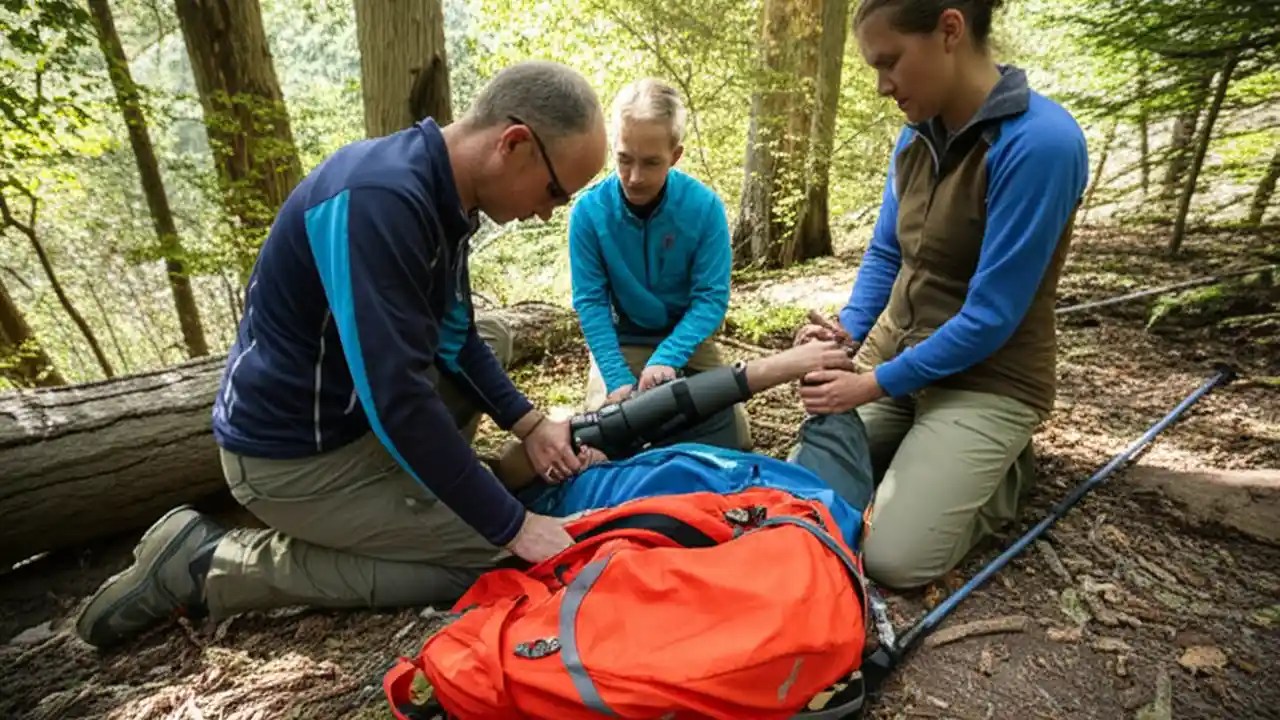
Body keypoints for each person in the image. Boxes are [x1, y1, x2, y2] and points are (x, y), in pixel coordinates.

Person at [76, 61, 610, 649]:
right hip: (293, 459)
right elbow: (398, 399)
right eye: (556, 191)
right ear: (514, 144)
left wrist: (530, 424)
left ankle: (430, 498)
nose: (548, 211)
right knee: (488, 560)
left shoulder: (443, 194)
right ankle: (207, 564)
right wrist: (513, 526)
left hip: (352, 416)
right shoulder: (379, 202)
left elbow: (454, 339)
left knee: (493, 348)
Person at [794, 0, 1088, 589]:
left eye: (891, 62)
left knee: (893, 560)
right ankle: (925, 453)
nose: (883, 86)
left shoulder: (1040, 144)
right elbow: (885, 254)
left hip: (988, 378)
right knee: (801, 495)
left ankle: (1004, 473)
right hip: (895, 357)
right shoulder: (914, 140)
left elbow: (990, 317)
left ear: (949, 30)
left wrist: (870, 384)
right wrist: (846, 331)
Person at [568, 78, 752, 451]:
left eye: (651, 162)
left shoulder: (704, 208)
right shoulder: (589, 212)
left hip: (686, 337)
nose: (635, 177)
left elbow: (711, 300)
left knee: (736, 438)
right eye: (624, 159)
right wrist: (618, 378)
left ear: (676, 155)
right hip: (623, 340)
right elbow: (590, 302)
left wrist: (668, 356)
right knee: (602, 439)